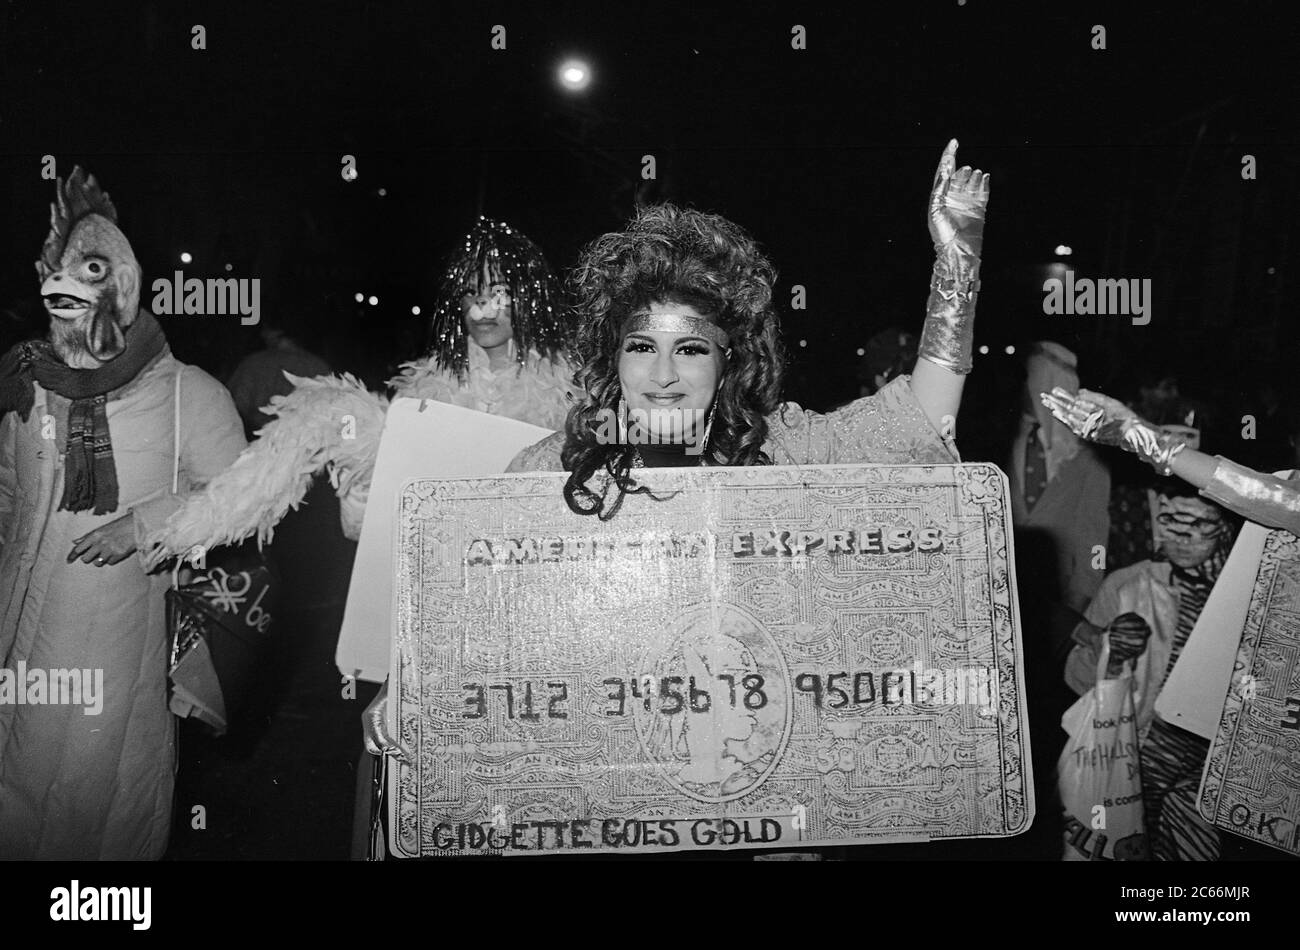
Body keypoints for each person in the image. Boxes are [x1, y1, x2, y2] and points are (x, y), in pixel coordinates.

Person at [363, 139, 992, 770]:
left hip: (756, 778)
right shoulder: (549, 469)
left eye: (690, 349)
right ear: (613, 358)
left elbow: (921, 420)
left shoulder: (786, 451)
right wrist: (408, 686)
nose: (663, 374)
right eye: (641, 347)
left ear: (728, 363)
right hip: (615, 777)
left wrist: (957, 259)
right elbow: (473, 616)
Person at [0, 168, 246, 859]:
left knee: (97, 811)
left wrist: (144, 526)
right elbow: (8, 502)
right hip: (17, 644)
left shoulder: (185, 394)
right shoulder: (28, 386)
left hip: (117, 648)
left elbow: (244, 502)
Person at [1062, 479, 1237, 860]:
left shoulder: (1241, 593)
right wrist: (1112, 650)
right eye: (1172, 520)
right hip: (1138, 750)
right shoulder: (1129, 585)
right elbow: (1077, 677)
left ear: (1225, 526)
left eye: (1199, 524)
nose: (1183, 536)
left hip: (1210, 763)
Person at [1041, 387, 1300, 538]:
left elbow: (1277, 501)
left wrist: (1142, 438)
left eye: (1188, 436)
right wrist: (1134, 434)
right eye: (1172, 434)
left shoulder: (1224, 515)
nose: (1180, 440)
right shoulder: (1130, 493)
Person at [226, 310, 331, 437]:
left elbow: (234, 406)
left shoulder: (253, 364)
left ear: (277, 332)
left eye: (266, 329)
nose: (262, 334)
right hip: (303, 445)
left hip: (258, 443)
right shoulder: (318, 366)